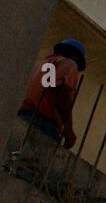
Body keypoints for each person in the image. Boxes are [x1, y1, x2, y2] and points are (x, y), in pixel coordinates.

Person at [8, 39, 86, 174]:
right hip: (44, 124)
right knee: (29, 171)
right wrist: (68, 130)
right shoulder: (69, 64)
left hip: (21, 118)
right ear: (76, 56)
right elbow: (61, 92)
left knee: (9, 163)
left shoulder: (38, 64)